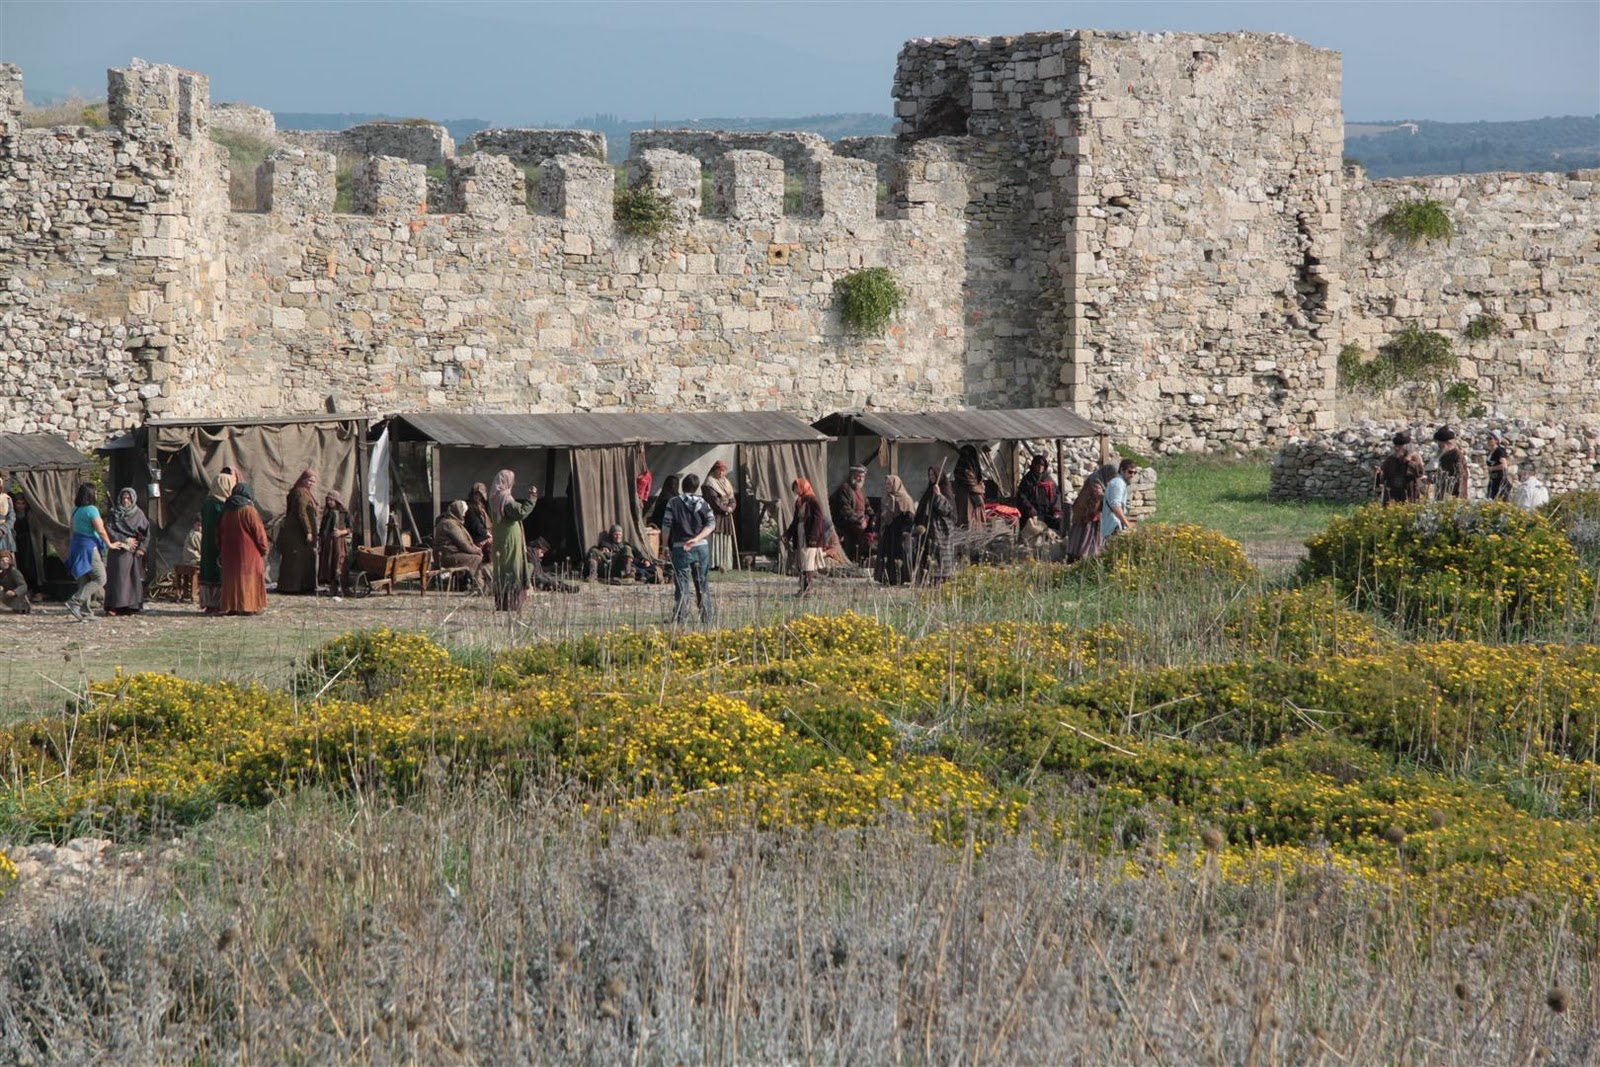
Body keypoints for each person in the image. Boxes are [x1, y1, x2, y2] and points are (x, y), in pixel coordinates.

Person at [661, 473, 715, 622]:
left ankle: (681, 615)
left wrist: (665, 545)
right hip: (701, 547)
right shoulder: (704, 503)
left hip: (681, 547)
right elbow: (711, 524)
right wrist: (697, 538)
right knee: (702, 582)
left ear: (682, 486)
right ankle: (707, 616)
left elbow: (666, 525)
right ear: (696, 487)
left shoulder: (673, 502)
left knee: (682, 582)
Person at [65, 482, 119, 622]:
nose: (96, 495)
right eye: (95, 493)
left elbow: (71, 530)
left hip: (76, 546)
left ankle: (85, 612)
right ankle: (75, 601)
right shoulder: (92, 510)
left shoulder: (75, 510)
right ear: (90, 495)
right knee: (100, 577)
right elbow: (100, 530)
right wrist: (110, 544)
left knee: (85, 579)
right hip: (89, 547)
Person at [489, 469, 539, 612]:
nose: (514, 483)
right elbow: (520, 512)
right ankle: (511, 602)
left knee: (503, 567)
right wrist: (532, 498)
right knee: (512, 566)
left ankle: (502, 602)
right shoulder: (505, 500)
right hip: (509, 539)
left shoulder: (494, 498)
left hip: (501, 538)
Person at [219, 481, 270, 615]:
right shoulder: (249, 510)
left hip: (229, 553)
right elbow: (259, 532)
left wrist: (221, 549)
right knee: (249, 579)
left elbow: (219, 532)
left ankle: (233, 607)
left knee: (232, 580)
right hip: (249, 553)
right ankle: (249, 607)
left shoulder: (226, 511)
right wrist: (264, 549)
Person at [103, 487, 150, 616]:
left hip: (133, 552)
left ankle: (131, 605)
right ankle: (115, 606)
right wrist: (124, 540)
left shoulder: (139, 514)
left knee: (132, 579)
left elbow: (146, 533)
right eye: (123, 498)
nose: (125, 501)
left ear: (133, 499)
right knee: (118, 578)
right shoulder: (114, 513)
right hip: (118, 549)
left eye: (128, 498)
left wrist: (141, 548)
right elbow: (109, 529)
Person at [199, 470, 235, 614]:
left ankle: (209, 603)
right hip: (218, 543)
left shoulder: (207, 502)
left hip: (207, 543)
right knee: (217, 571)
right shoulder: (220, 505)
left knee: (208, 569)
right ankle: (217, 603)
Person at [277, 469, 319, 594]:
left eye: (313, 481)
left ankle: (302, 585)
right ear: (303, 480)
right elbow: (302, 512)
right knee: (296, 559)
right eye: (309, 480)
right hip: (297, 532)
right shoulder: (300, 492)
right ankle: (293, 586)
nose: (311, 483)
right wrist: (308, 531)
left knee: (302, 558)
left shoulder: (305, 492)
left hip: (298, 531)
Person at [913, 467, 956, 585]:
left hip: (941, 530)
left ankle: (942, 579)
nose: (931, 477)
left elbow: (947, 510)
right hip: (929, 528)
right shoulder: (929, 490)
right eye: (930, 475)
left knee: (940, 554)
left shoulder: (945, 489)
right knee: (927, 553)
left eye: (933, 475)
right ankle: (928, 578)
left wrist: (939, 495)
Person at [788, 477, 830, 596]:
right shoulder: (800, 502)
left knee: (808, 561)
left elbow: (818, 519)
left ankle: (808, 589)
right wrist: (788, 534)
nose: (795, 490)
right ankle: (803, 588)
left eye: (796, 487)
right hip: (801, 534)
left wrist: (813, 537)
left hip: (810, 537)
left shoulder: (812, 501)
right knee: (802, 561)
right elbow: (795, 521)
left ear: (803, 487)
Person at [875, 474, 916, 585]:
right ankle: (886, 578)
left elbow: (910, 518)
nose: (887, 486)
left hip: (900, 534)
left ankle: (900, 578)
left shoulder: (906, 499)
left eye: (889, 484)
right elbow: (879, 516)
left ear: (896, 485)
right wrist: (877, 529)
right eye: (886, 484)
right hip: (887, 533)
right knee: (887, 555)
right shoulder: (885, 499)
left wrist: (905, 530)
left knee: (899, 556)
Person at [1064, 466, 1110, 563]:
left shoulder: (1102, 482)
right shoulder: (1095, 480)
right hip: (1086, 514)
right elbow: (1098, 495)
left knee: (1093, 538)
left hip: (1095, 514)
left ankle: (1090, 558)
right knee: (1083, 537)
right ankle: (1080, 558)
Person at [828, 465, 872, 566]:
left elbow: (868, 507)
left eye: (863, 476)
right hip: (846, 527)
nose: (861, 479)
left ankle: (858, 564)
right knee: (849, 550)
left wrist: (873, 518)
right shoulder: (845, 489)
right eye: (858, 476)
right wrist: (860, 521)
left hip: (860, 527)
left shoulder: (861, 491)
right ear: (853, 476)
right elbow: (846, 511)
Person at [701, 460, 739, 571]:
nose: (721, 473)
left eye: (723, 471)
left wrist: (731, 507)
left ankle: (724, 563)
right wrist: (725, 509)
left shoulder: (726, 482)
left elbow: (732, 499)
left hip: (726, 515)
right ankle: (714, 563)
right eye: (719, 471)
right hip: (714, 514)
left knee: (725, 537)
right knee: (714, 537)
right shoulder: (709, 483)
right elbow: (713, 500)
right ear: (714, 471)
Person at [318, 490, 354, 593]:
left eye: (332, 500)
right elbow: (323, 528)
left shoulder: (344, 513)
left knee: (339, 561)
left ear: (337, 501)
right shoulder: (327, 513)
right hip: (328, 542)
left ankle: (342, 585)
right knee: (329, 562)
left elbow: (351, 528)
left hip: (339, 542)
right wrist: (321, 540)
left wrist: (341, 532)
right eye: (328, 500)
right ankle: (332, 585)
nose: (329, 502)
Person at [1373, 432, 1423, 506]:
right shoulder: (1391, 459)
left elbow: (1420, 473)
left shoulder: (1414, 458)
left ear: (1406, 447)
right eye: (1395, 446)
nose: (1396, 448)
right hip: (1392, 493)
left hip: (1408, 492)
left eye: (1399, 446)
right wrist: (1379, 472)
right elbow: (1383, 475)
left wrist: (1409, 462)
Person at [1016, 455, 1062, 533]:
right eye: (1038, 464)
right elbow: (1022, 497)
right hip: (1033, 514)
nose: (1040, 467)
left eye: (1042, 465)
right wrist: (1031, 511)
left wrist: (1056, 510)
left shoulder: (1048, 479)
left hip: (1048, 513)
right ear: (1034, 465)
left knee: (1059, 523)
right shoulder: (1027, 480)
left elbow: (1057, 495)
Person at [1101, 458, 1138, 539]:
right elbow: (1116, 507)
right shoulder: (1118, 484)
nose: (1132, 475)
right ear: (1122, 470)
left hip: (1114, 527)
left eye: (1134, 472)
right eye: (1130, 472)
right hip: (1114, 528)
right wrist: (1127, 525)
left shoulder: (1120, 483)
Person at [952, 446, 986, 529]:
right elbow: (972, 486)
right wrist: (981, 488)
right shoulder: (965, 470)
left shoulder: (971, 468)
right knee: (968, 522)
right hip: (967, 500)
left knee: (973, 523)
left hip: (968, 499)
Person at [1432, 426, 1469, 500]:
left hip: (1453, 497)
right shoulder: (1444, 455)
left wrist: (1454, 495)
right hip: (1442, 495)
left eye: (1439, 442)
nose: (1438, 445)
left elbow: (1460, 477)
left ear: (1445, 443)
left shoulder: (1457, 455)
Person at [465, 482, 494, 562]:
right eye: (475, 494)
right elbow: (475, 524)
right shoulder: (469, 507)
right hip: (476, 536)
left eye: (479, 495)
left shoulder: (482, 506)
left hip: (485, 533)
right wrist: (486, 533)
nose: (477, 497)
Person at [0, 549, 31, 615]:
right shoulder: (2, 572)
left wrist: (14, 592)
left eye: (7, 560)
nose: (5, 562)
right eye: (2, 560)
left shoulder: (14, 572)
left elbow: (23, 586)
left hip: (18, 600)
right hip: (7, 597)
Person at [1485, 430, 1511, 501]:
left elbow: (1504, 466)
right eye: (1487, 438)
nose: (1488, 440)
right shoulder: (1490, 452)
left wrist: (1491, 468)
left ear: (1496, 440)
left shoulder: (1500, 450)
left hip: (1500, 481)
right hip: (1492, 481)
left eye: (1490, 438)